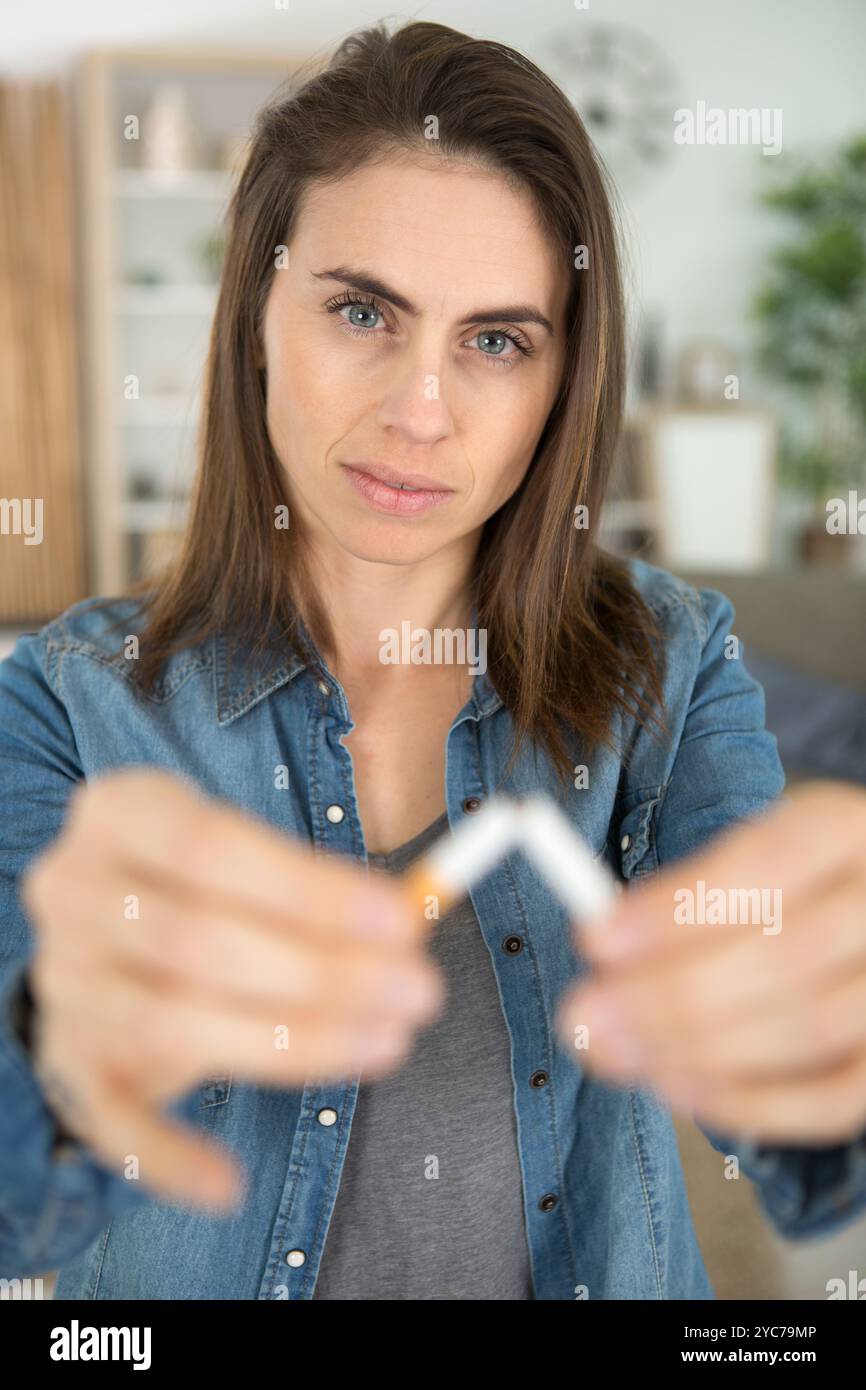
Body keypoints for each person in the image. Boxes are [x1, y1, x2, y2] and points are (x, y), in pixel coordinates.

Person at [1, 20, 865, 1303]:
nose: (421, 408)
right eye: (361, 310)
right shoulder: (63, 702)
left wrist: (816, 1019)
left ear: (562, 380)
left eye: (497, 340)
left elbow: (803, 1137)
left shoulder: (669, 667)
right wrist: (51, 1047)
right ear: (252, 319)